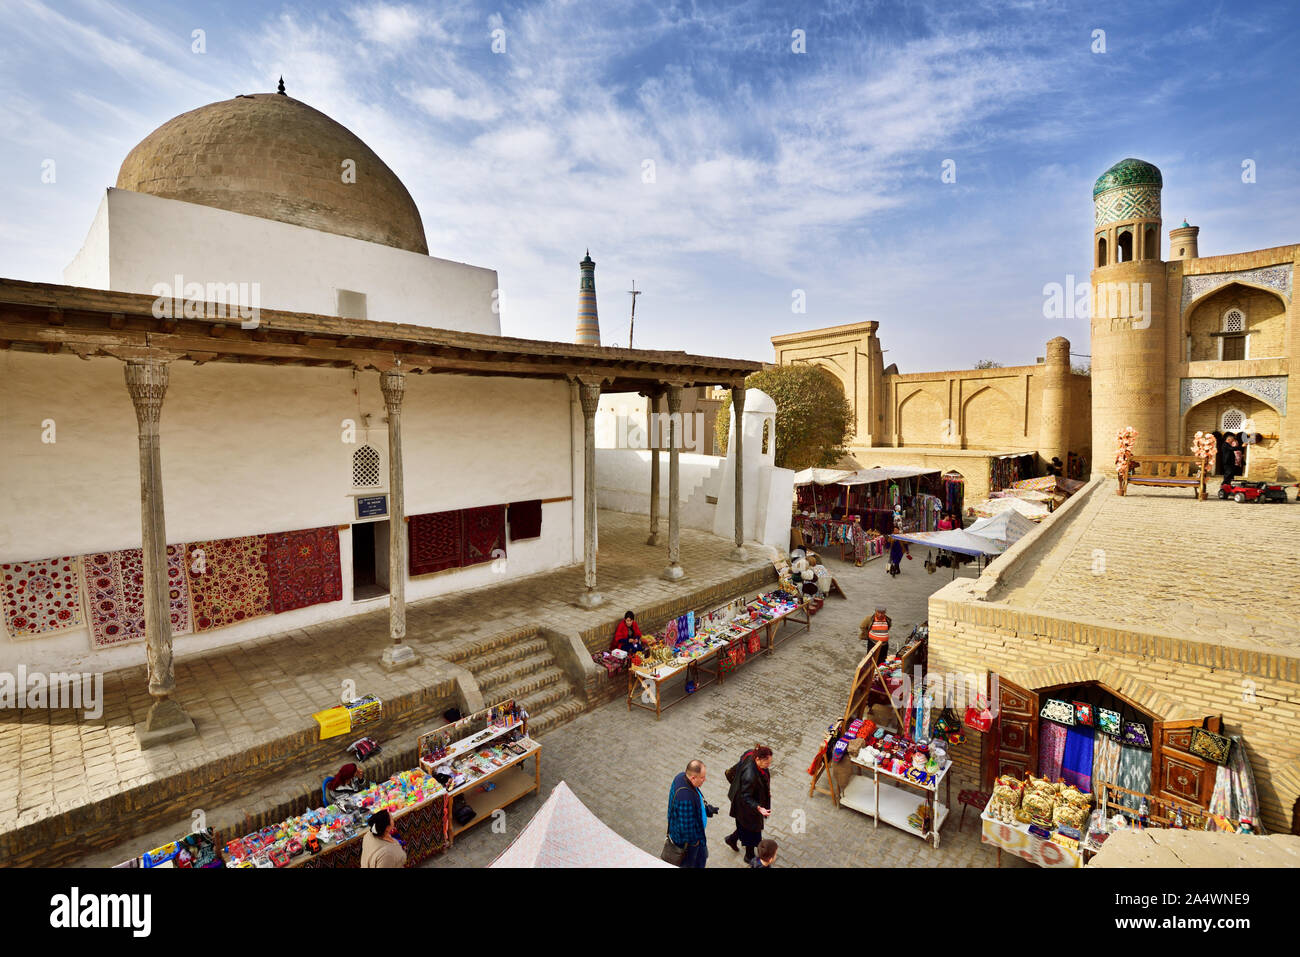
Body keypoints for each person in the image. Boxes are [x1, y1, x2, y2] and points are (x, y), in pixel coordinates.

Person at [725, 745, 773, 863]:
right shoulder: (750, 776)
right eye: (766, 763)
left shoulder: (751, 753)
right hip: (745, 806)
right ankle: (749, 856)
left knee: (744, 826)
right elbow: (746, 796)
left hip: (745, 802)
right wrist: (759, 807)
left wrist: (766, 791)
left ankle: (732, 839)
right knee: (752, 830)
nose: (769, 765)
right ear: (757, 760)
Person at [666, 759, 717, 868]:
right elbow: (687, 831)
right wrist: (697, 843)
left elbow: (697, 797)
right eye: (702, 777)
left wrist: (706, 809)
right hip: (690, 845)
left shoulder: (681, 776)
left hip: (696, 839)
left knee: (703, 857)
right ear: (693, 778)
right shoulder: (685, 798)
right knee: (695, 863)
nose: (705, 779)